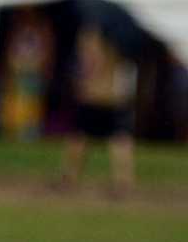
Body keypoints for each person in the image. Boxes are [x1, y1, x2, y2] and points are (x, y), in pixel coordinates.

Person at [57, 16, 138, 195]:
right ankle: (123, 182)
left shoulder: (90, 35)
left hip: (93, 95)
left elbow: (90, 66)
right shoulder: (123, 40)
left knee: (79, 136)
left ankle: (69, 179)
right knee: (119, 139)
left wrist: (80, 83)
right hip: (115, 97)